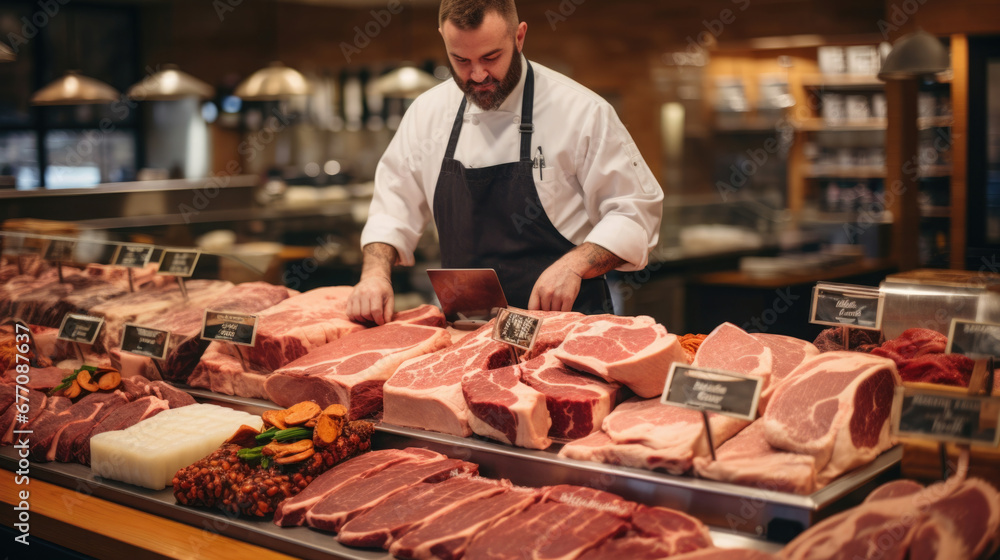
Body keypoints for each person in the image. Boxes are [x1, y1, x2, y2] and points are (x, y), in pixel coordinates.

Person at [347, 0, 663, 325]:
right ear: (443, 37)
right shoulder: (427, 113)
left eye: (491, 57)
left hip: (565, 331)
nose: (478, 74)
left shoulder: (581, 111)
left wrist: (574, 264)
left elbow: (635, 212)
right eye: (461, 60)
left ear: (519, 36)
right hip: (469, 330)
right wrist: (374, 273)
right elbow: (392, 208)